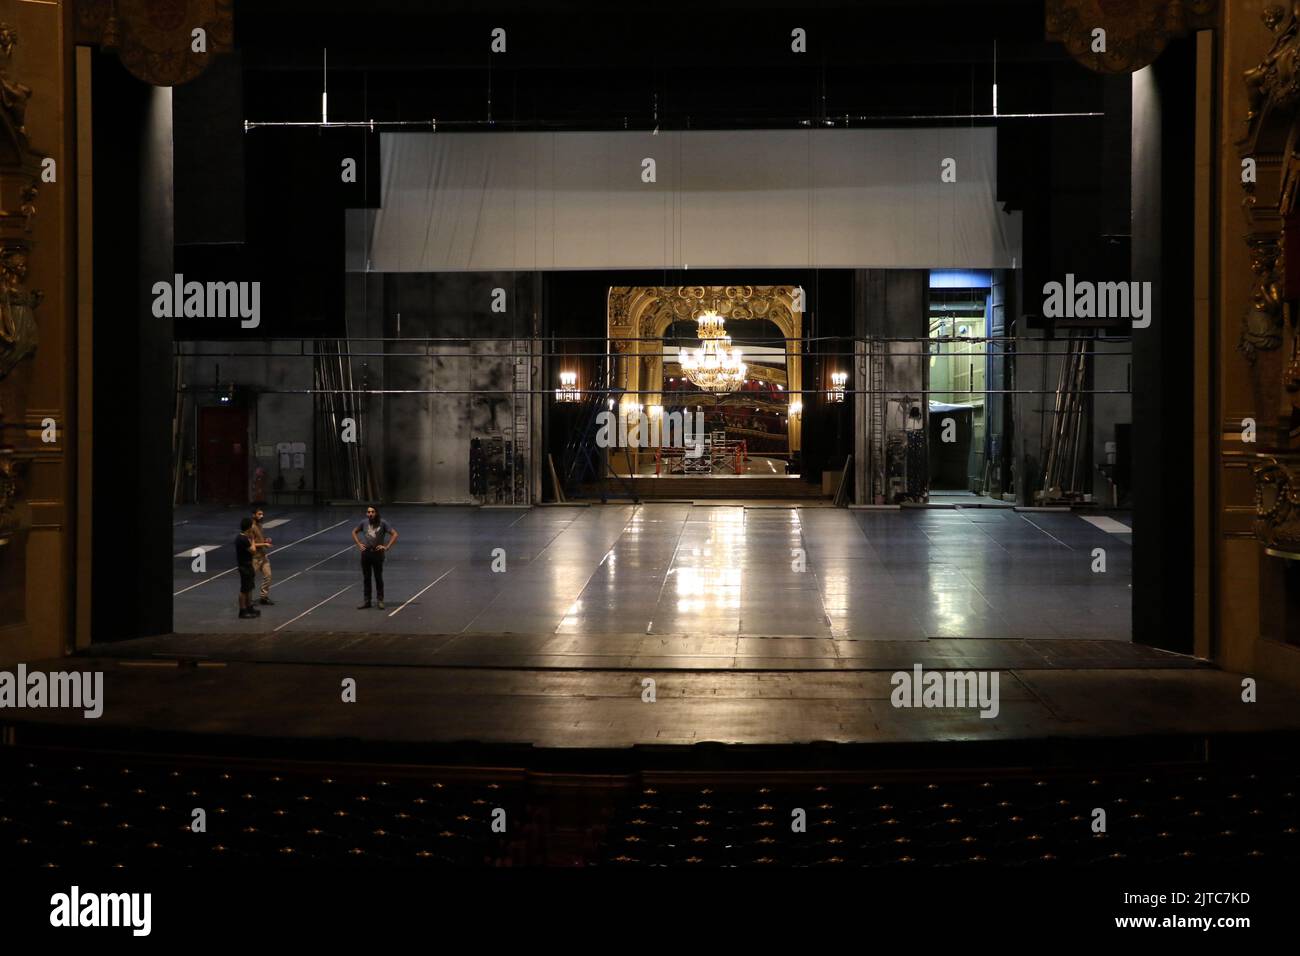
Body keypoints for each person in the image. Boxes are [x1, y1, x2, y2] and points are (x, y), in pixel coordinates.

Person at [352, 505, 397, 609]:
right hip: (366, 553)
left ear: (376, 513)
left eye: (372, 512)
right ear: (366, 513)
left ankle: (380, 600)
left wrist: (387, 547)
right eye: (368, 512)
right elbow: (354, 532)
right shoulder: (363, 523)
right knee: (366, 578)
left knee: (378, 577)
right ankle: (367, 601)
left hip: (377, 553)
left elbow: (394, 534)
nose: (370, 514)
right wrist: (359, 544)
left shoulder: (383, 523)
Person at [235, 517, 260, 619]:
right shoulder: (243, 539)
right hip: (244, 566)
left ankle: (249, 607)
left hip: (248, 565)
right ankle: (242, 610)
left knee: (249, 587)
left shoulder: (243, 538)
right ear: (249, 528)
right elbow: (253, 551)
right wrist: (253, 539)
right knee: (244, 589)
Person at [250, 506, 275, 605]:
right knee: (250, 578)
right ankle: (249, 599)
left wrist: (265, 539)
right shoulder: (251, 527)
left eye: (262, 514)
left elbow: (259, 539)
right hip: (254, 557)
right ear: (254, 515)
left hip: (263, 555)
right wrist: (264, 544)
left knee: (268, 576)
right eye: (259, 514)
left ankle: (263, 597)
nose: (262, 516)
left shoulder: (260, 525)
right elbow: (250, 544)